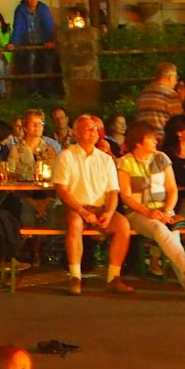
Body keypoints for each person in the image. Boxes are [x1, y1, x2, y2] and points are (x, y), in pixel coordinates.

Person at [116, 121, 185, 294]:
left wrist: (167, 210)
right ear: (139, 142)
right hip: (138, 213)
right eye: (150, 138)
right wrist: (149, 212)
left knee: (172, 235)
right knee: (159, 229)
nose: (156, 141)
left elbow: (172, 189)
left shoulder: (161, 158)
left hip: (164, 211)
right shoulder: (125, 163)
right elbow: (125, 196)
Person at [56, 113, 133, 294]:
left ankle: (114, 276)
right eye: (89, 128)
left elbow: (113, 191)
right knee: (75, 223)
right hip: (74, 208)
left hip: (99, 208)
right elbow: (62, 190)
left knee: (123, 224)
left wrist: (109, 211)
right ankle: (75, 277)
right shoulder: (66, 156)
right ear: (76, 133)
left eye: (95, 128)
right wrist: (83, 212)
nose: (94, 132)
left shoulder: (105, 159)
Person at [9, 0, 54, 85]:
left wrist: (50, 40)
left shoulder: (44, 9)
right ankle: (31, 89)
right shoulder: (21, 9)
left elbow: (48, 26)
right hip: (27, 42)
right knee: (29, 63)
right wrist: (13, 42)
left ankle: (47, 89)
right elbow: (18, 26)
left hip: (43, 42)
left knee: (47, 62)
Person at [135, 63, 183, 132]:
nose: (176, 82)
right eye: (176, 78)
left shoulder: (143, 94)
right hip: (162, 139)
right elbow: (179, 123)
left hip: (143, 139)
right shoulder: (171, 95)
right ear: (170, 78)